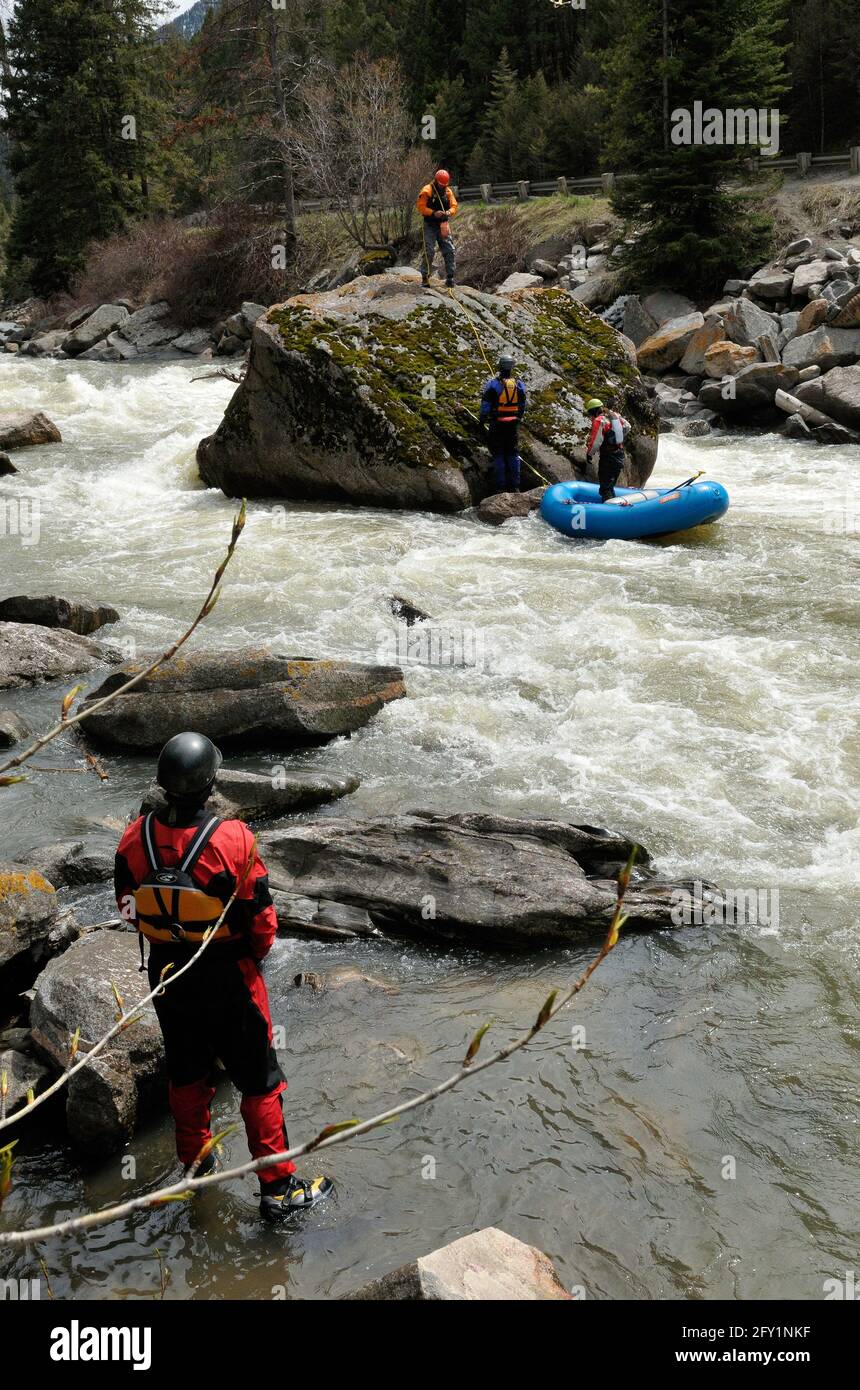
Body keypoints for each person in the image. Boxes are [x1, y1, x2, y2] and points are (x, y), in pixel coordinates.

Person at [114, 731, 333, 1223]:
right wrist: (250, 957)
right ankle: (278, 1190)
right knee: (260, 1082)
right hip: (230, 977)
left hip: (167, 974)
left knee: (187, 1072)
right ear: (210, 782)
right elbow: (263, 922)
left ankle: (195, 1168)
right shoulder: (235, 839)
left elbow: (128, 910)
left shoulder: (133, 839)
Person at [480, 350, 527, 492]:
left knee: (498, 454)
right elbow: (522, 403)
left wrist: (482, 419)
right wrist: (518, 417)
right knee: (513, 454)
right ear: (512, 367)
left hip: (497, 423)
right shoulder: (519, 384)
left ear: (500, 367)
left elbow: (486, 404)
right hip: (513, 423)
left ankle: (500, 487)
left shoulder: (493, 384)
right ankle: (515, 486)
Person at [416, 168, 458, 287]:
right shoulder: (426, 191)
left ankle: (450, 277)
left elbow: (454, 205)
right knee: (429, 251)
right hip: (429, 225)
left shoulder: (448, 192)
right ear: (436, 181)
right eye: (441, 184)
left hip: (443, 225)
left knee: (449, 250)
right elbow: (420, 207)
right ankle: (425, 278)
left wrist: (449, 212)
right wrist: (433, 213)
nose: (443, 187)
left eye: (445, 185)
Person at [584, 398, 630, 501]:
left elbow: (596, 441)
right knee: (610, 484)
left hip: (608, 457)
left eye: (590, 413)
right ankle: (613, 502)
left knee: (605, 487)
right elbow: (627, 427)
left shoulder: (599, 420)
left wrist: (589, 454)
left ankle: (609, 509)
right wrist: (617, 439)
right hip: (620, 455)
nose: (591, 416)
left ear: (594, 411)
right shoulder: (615, 415)